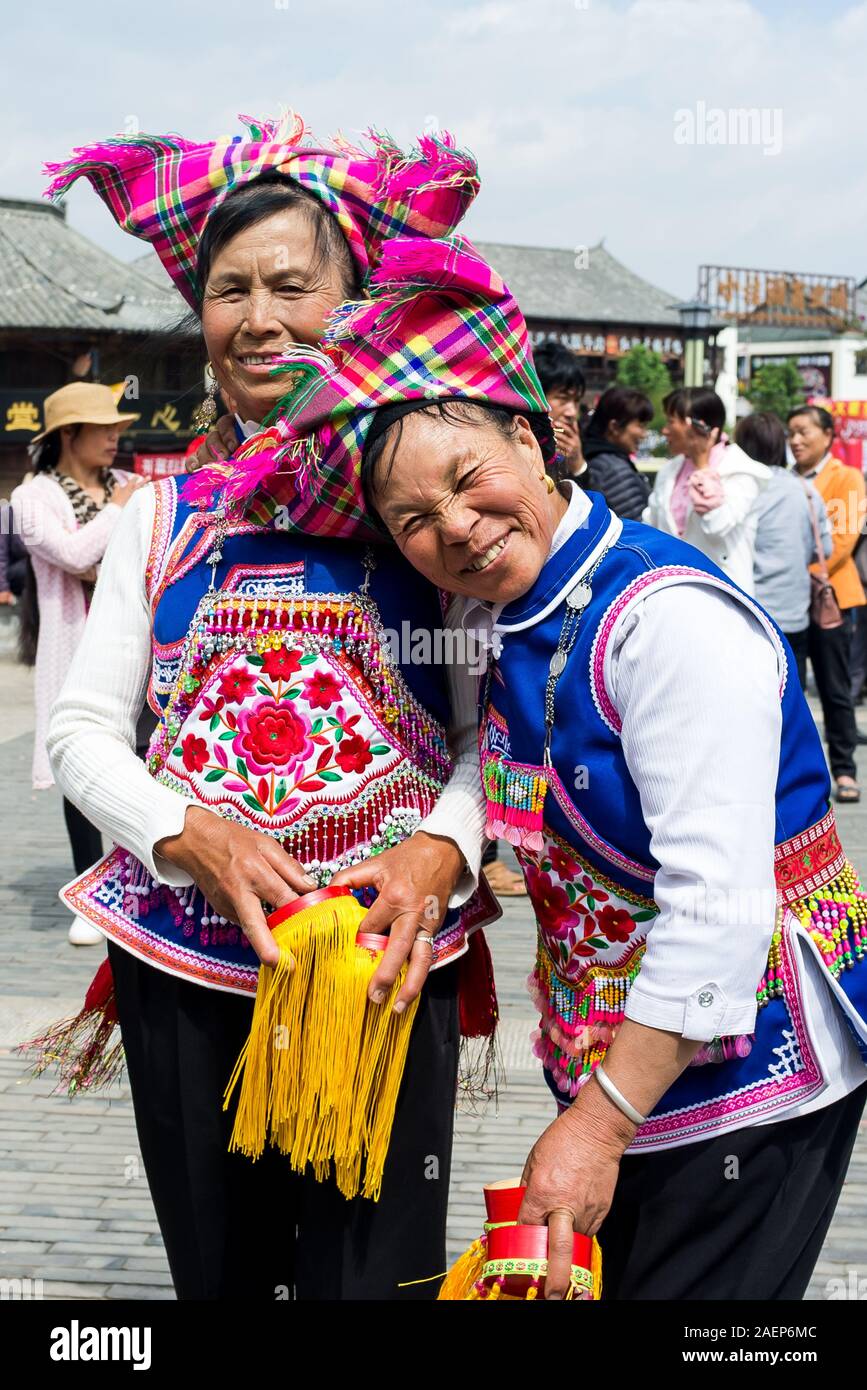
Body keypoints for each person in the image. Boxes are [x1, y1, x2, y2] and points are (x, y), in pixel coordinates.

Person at [266, 235, 867, 1301]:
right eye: (412, 519)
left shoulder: (666, 619)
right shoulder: (496, 609)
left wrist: (597, 1124)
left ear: (545, 434)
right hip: (631, 1046)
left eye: (468, 478)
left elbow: (720, 908)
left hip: (750, 1053)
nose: (455, 526)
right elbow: (491, 765)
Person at [44, 111, 496, 1301]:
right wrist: (181, 832)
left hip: (383, 957)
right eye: (229, 289)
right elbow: (83, 729)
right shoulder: (157, 515)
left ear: (353, 301)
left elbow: (485, 732)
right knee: (222, 1273)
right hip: (188, 956)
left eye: (291, 284)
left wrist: (441, 847)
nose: (259, 317)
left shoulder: (420, 506)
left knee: (375, 1274)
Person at [10, 383, 142, 945]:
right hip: (73, 645)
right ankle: (91, 892)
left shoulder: (132, 490)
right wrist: (118, 513)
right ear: (70, 434)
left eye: (117, 427)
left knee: (144, 758)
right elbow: (71, 555)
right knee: (80, 765)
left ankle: (136, 884)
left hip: (135, 641)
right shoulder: (32, 499)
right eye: (103, 428)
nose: (116, 438)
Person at [788, 405, 866, 804]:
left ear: (827, 436)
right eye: (791, 433)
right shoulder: (784, 481)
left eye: (803, 432)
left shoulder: (847, 478)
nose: (795, 440)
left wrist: (795, 568)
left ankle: (845, 769)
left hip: (833, 596)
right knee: (795, 690)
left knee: (836, 689)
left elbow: (844, 541)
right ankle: (802, 774)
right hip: (793, 600)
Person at [735, 410, 831, 688]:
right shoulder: (805, 489)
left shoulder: (742, 489)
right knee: (792, 706)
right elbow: (824, 548)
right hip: (795, 615)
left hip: (751, 616)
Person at [644, 386, 770, 594]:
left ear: (695, 426)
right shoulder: (670, 471)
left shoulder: (740, 472)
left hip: (722, 594)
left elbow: (718, 525)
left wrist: (702, 466)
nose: (665, 430)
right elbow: (652, 525)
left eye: (670, 422)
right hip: (673, 591)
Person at [581, 385, 652, 520]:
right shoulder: (613, 469)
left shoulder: (593, 457)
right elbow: (636, 526)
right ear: (614, 426)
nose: (644, 434)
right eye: (640, 426)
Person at [533, 339, 586, 484]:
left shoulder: (579, 443)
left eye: (576, 401)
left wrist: (578, 464)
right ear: (538, 396)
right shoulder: (517, 442)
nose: (572, 412)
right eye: (563, 399)